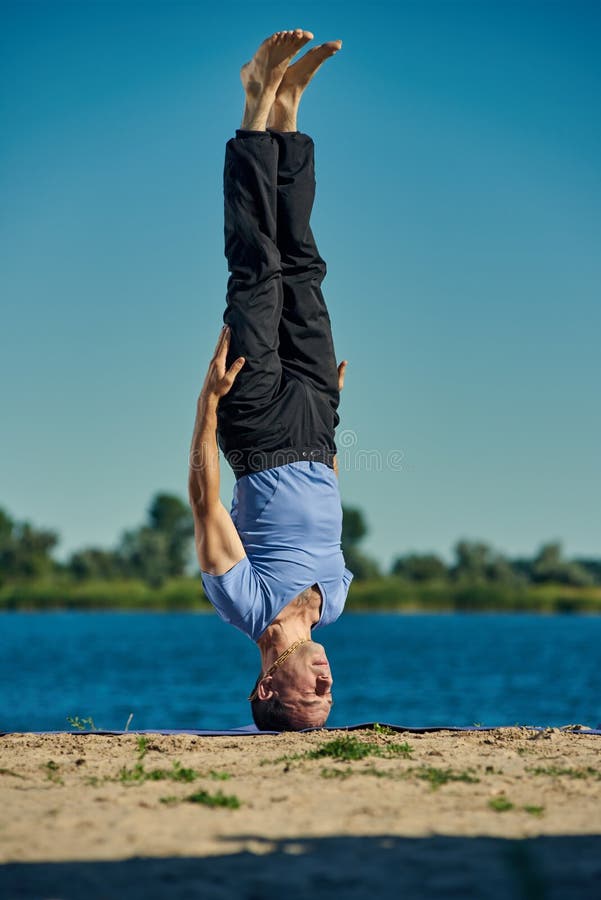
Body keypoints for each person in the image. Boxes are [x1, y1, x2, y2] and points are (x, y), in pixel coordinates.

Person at [188, 30, 352, 731]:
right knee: (304, 268)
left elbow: (205, 501)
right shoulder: (335, 602)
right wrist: (331, 417)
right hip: (315, 420)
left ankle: (255, 102)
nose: (326, 685)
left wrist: (209, 404)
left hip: (253, 427)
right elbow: (328, 502)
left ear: (265, 689)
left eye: (310, 696)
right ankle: (288, 113)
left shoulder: (243, 606)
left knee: (257, 270)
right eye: (329, 699)